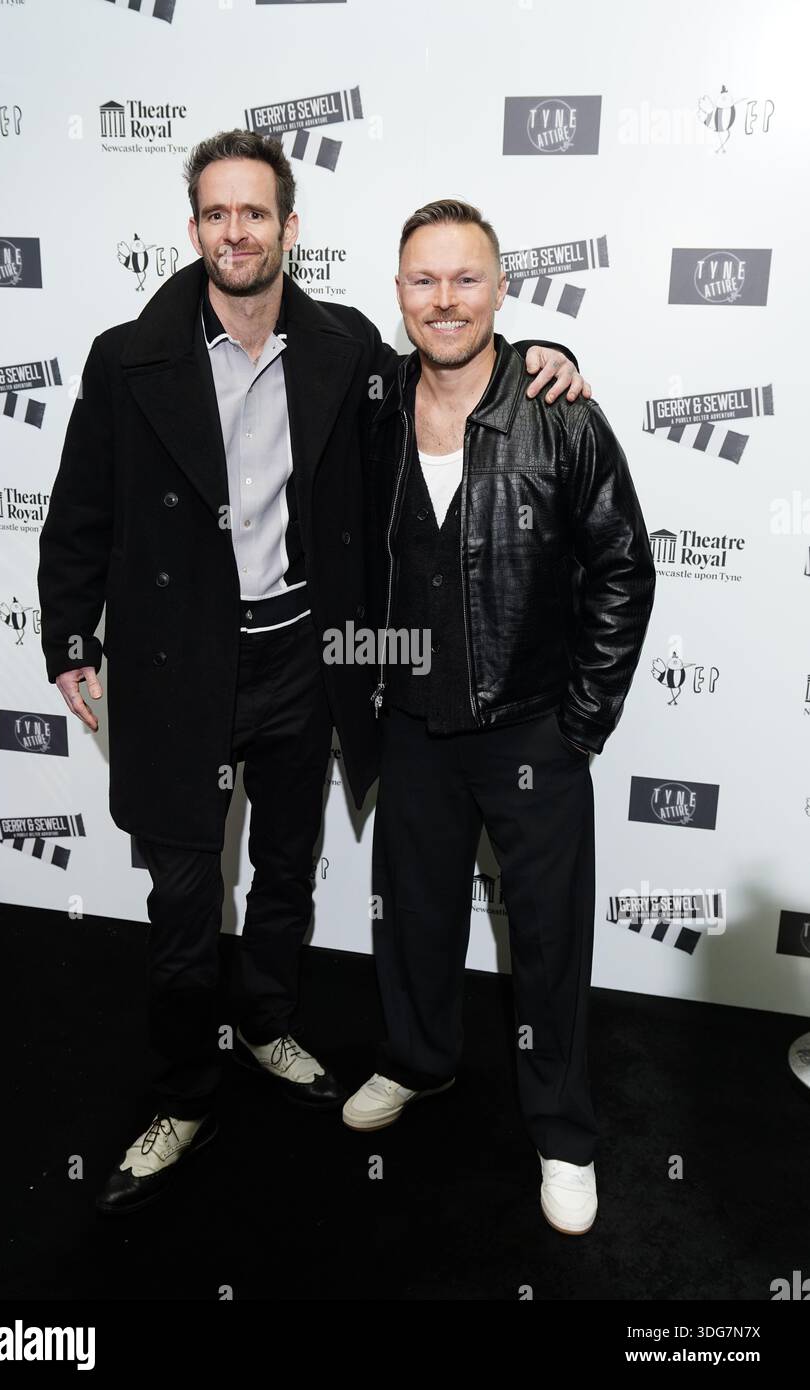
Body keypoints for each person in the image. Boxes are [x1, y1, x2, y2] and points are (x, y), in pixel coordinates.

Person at [37, 132, 587, 1216]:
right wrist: (68, 639)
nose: (234, 232)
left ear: (291, 228)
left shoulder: (343, 349)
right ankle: (185, 1094)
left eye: (255, 213)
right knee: (188, 898)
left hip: (306, 655)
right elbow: (79, 514)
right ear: (193, 227)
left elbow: (457, 349)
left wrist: (544, 355)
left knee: (285, 868)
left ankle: (268, 1023)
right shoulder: (125, 356)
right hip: (177, 666)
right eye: (214, 214)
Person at [344, 200, 656, 1237]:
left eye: (464, 279)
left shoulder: (554, 408)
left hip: (532, 726)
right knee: (415, 918)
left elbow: (621, 565)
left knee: (552, 944)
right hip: (413, 719)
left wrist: (581, 719)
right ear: (397, 293)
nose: (443, 300)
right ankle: (418, 1060)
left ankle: (562, 1133)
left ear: (499, 290)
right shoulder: (374, 400)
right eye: (422, 281)